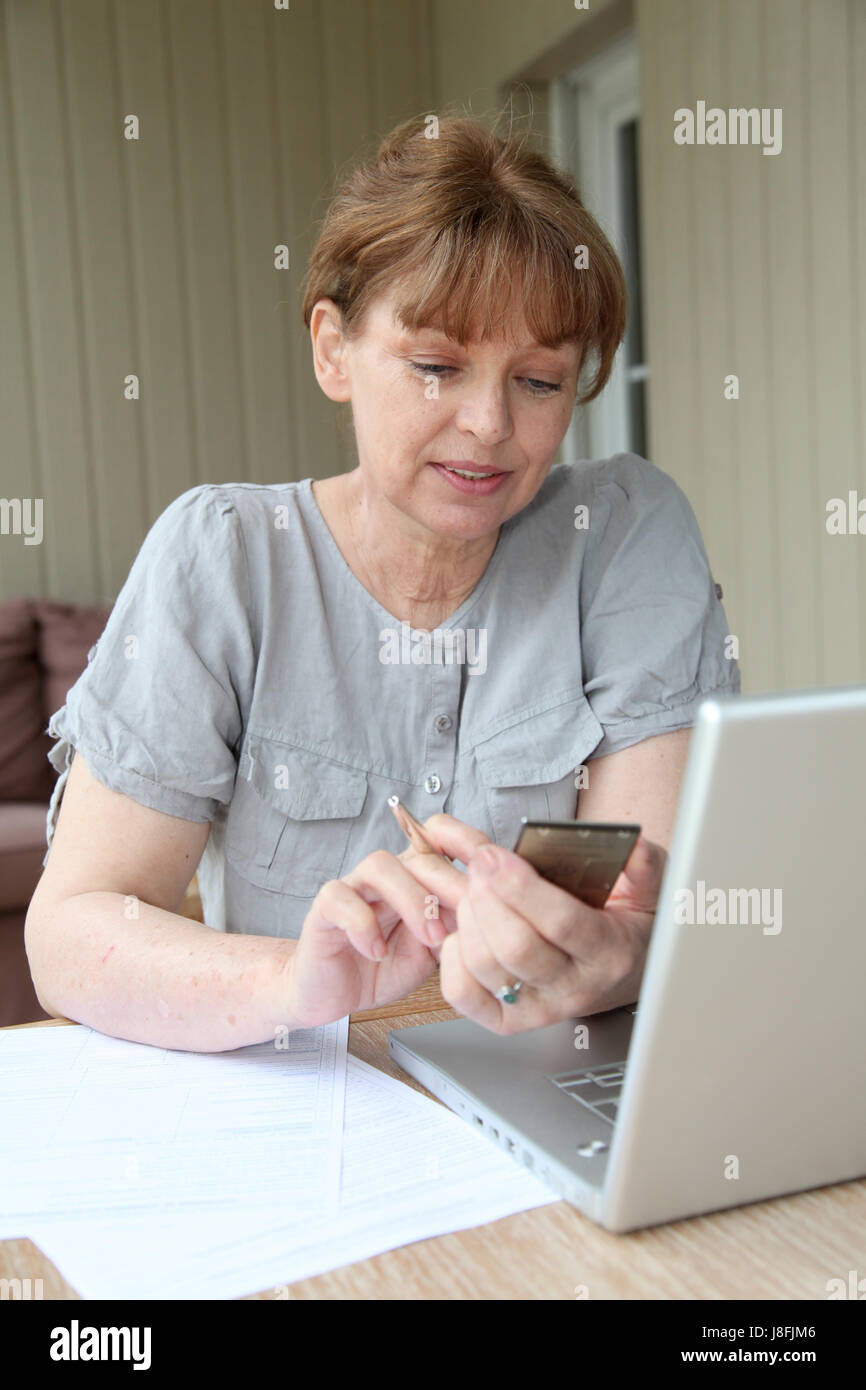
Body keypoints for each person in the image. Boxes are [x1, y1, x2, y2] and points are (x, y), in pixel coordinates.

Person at [25, 112, 739, 1052]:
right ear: (333, 349)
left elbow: (654, 905)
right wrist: (292, 982)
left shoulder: (623, 537)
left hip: (548, 1088)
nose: (489, 424)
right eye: (438, 367)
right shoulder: (225, 557)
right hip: (299, 1099)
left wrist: (619, 953)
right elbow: (71, 934)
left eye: (539, 381)